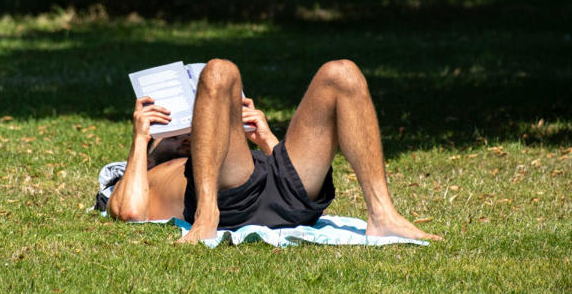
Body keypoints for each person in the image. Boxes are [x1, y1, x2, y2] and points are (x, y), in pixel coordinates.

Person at [105, 59, 441, 243]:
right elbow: (129, 212)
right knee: (219, 71)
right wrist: (140, 139)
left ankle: (383, 215)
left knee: (342, 73)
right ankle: (208, 216)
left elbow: (289, 177)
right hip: (228, 198)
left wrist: (267, 140)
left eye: (190, 133)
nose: (185, 139)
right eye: (175, 137)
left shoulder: (219, 149)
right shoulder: (144, 171)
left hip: (280, 194)